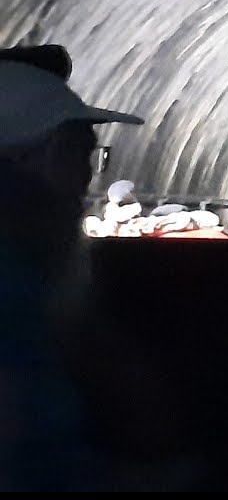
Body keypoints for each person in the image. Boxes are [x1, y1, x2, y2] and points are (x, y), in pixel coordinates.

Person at [0, 44, 144, 490]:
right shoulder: (13, 283)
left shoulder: (35, 272)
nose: (87, 176)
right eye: (81, 153)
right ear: (30, 158)